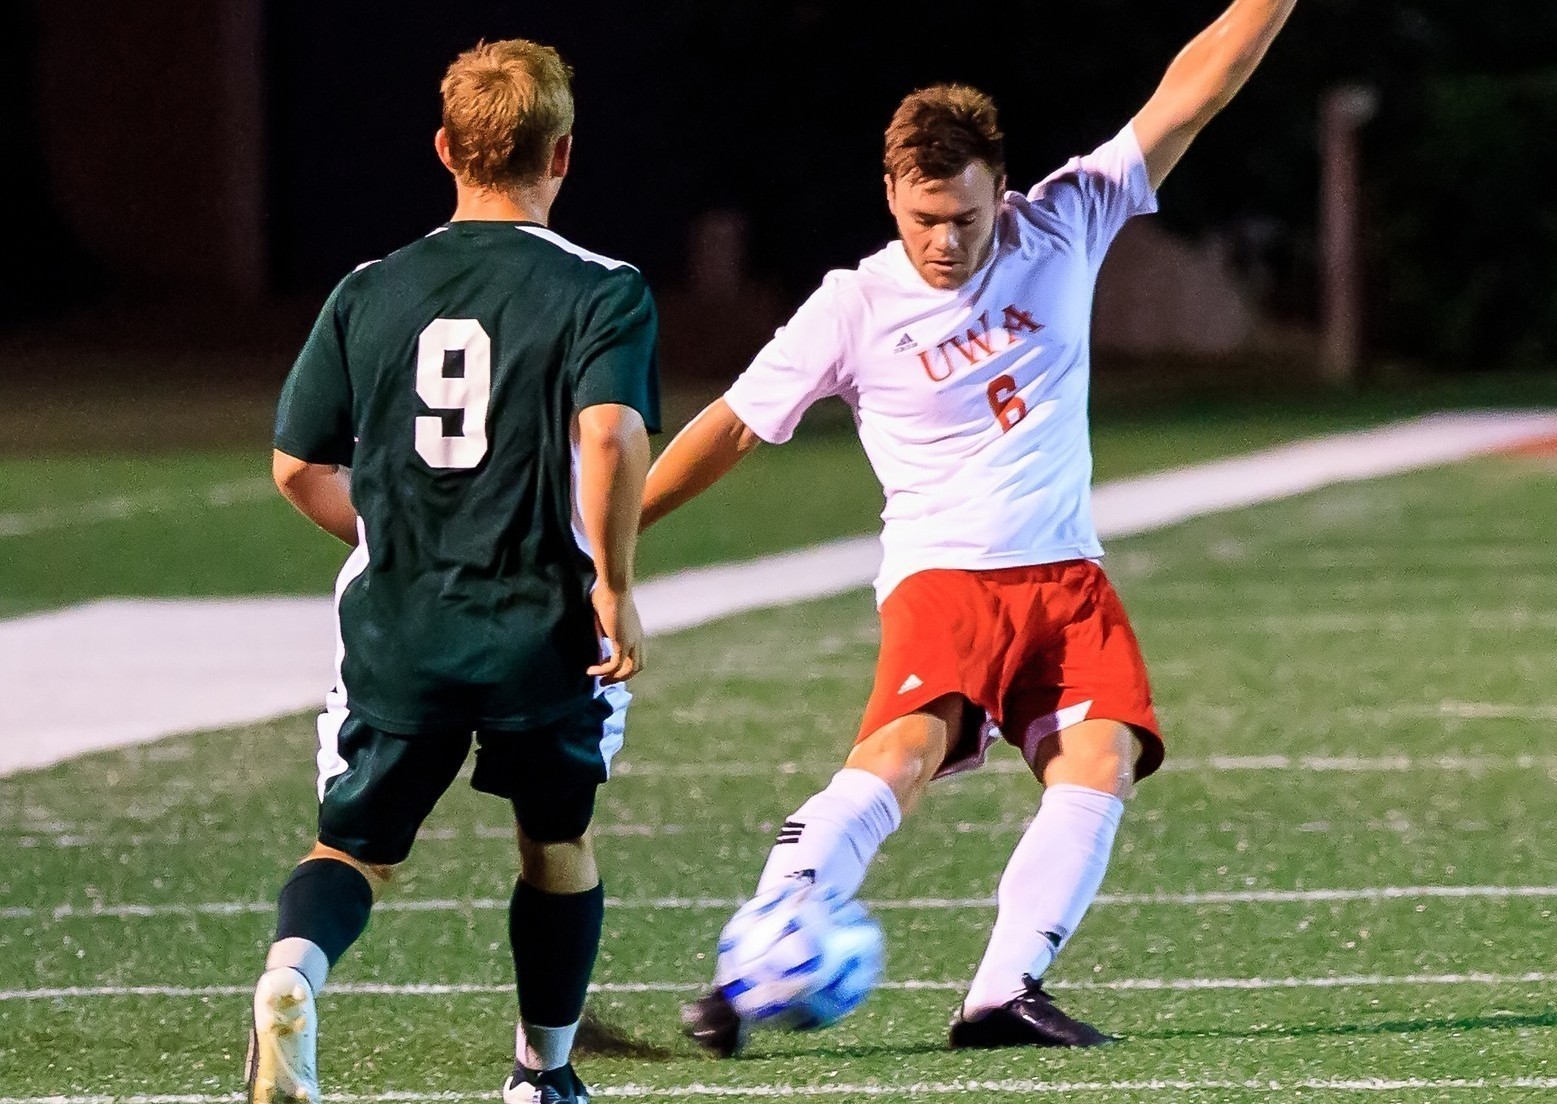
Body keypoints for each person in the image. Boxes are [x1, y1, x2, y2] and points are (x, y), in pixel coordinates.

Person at [643, 0, 1296, 1054]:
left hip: (1067, 576)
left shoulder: (1067, 219)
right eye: (924, 219)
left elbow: (1198, 87)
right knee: (899, 758)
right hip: (945, 579)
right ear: (892, 195)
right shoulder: (852, 305)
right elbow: (732, 427)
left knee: (1104, 756)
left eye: (967, 219)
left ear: (1005, 186)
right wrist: (617, 531)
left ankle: (1000, 994)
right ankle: (744, 967)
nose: (945, 243)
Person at [247, 39, 659, 1104]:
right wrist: (612, 580)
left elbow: (297, 464)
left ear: (444, 149)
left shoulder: (369, 288)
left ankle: (291, 977)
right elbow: (610, 435)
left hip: (399, 625)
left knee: (352, 851)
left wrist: (397, 536)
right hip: (539, 625)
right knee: (556, 841)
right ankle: (543, 1076)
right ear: (561, 153)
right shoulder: (603, 289)